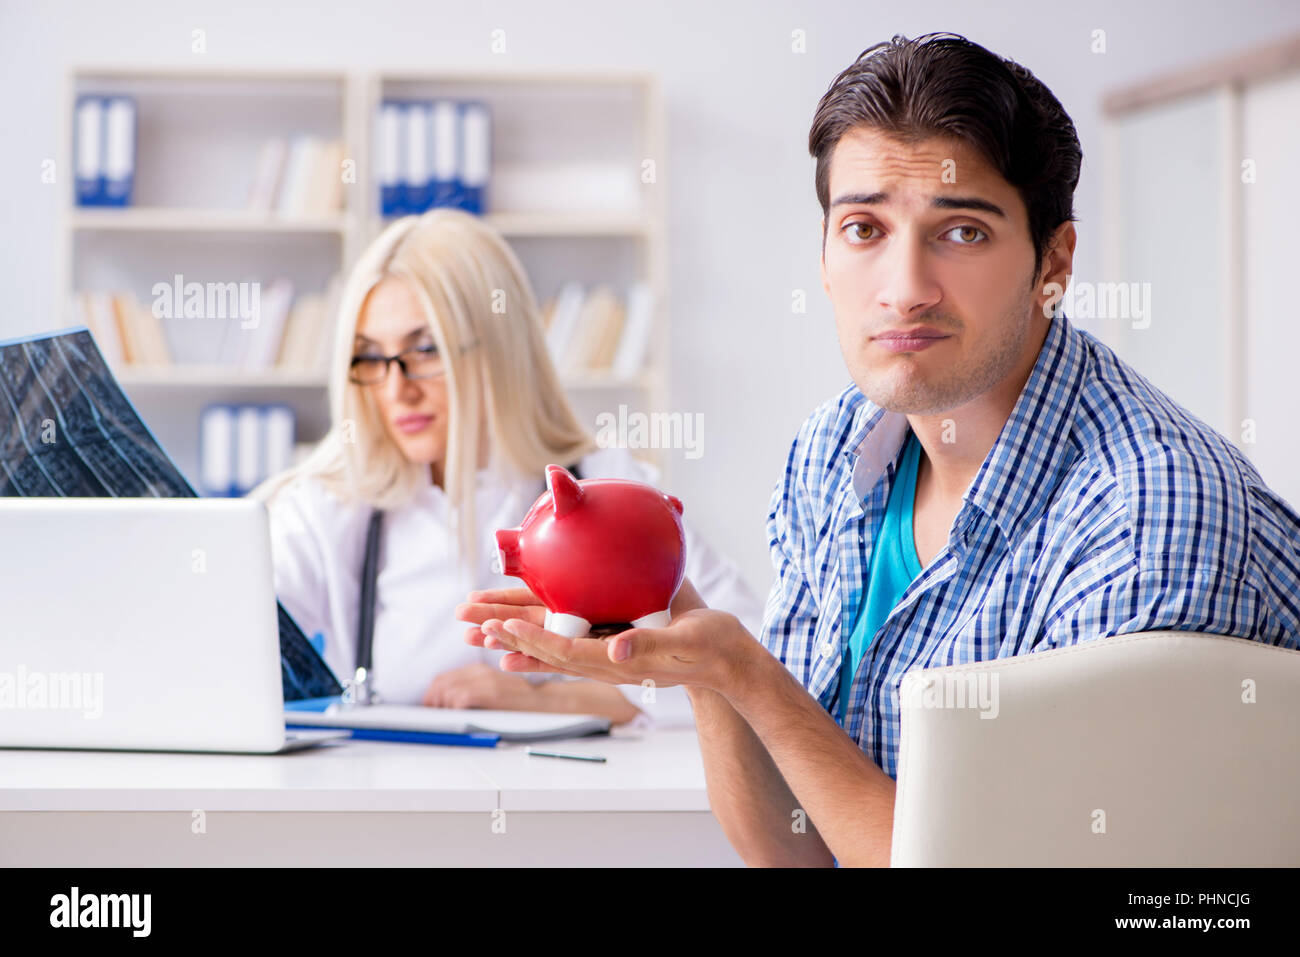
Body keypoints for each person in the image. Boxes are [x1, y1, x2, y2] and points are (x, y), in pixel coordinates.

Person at [457, 32, 1300, 865]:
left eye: (962, 232)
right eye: (863, 228)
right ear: (824, 256)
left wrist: (751, 677)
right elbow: (793, 850)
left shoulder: (1150, 511)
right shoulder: (833, 451)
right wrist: (701, 662)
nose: (904, 289)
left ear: (1055, 259)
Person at [251, 208, 762, 727]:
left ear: (499, 348)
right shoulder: (331, 505)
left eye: (425, 350)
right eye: (371, 358)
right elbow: (234, 639)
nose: (396, 389)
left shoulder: (607, 485)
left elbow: (748, 662)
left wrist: (550, 699)